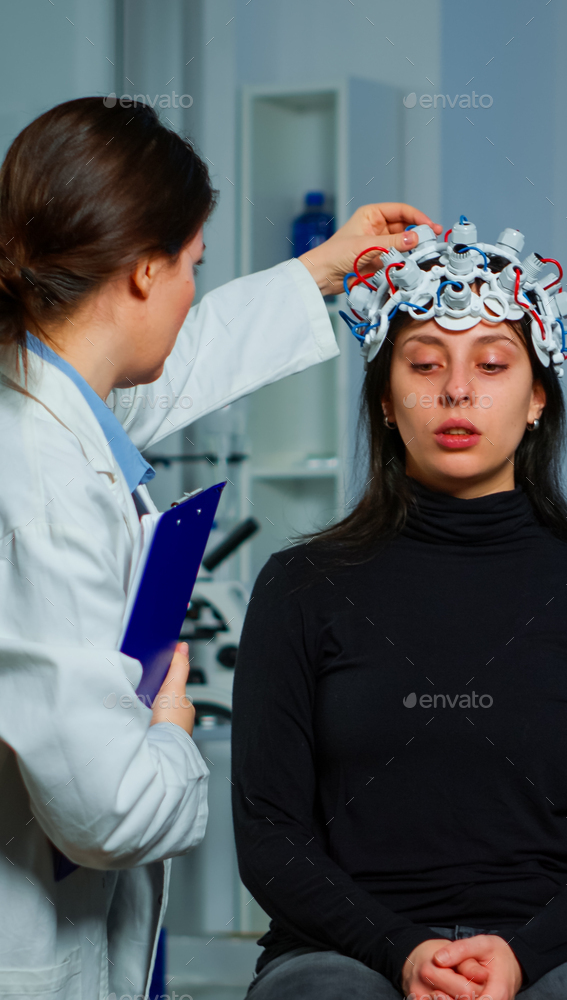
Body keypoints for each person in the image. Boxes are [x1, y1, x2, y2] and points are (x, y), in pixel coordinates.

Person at [0, 95, 439, 1000]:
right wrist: (173, 730)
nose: (195, 290)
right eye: (194, 266)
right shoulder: (43, 480)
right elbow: (108, 812)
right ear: (143, 270)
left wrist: (319, 271)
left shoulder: (45, 396)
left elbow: (165, 368)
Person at [231, 218, 567, 1000]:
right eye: (424, 363)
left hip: (559, 946)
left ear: (537, 398)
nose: (456, 389)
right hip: (346, 949)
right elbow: (267, 834)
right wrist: (400, 950)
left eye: (492, 363)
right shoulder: (300, 585)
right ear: (387, 404)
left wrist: (524, 955)